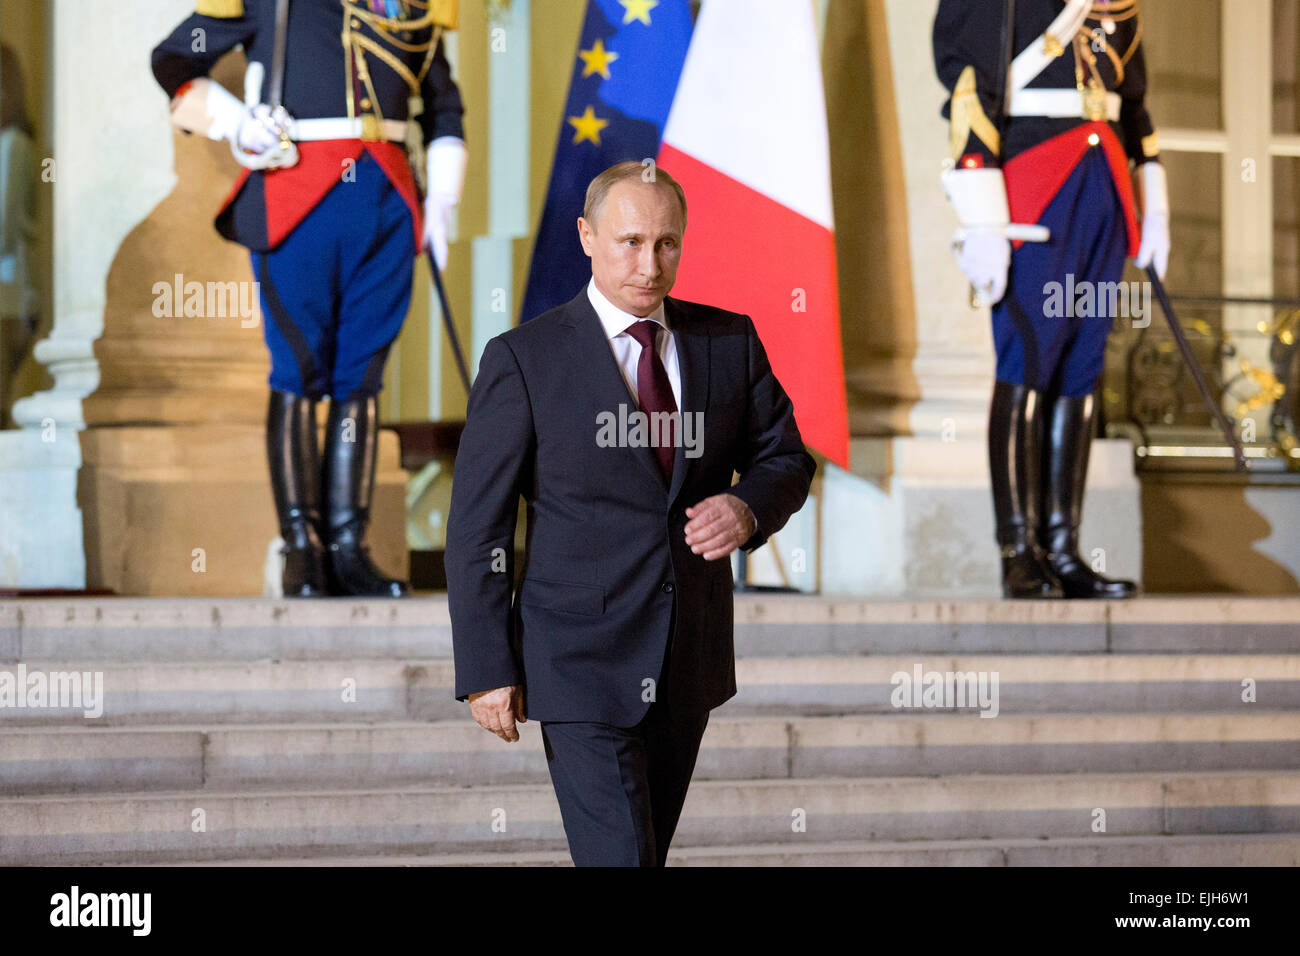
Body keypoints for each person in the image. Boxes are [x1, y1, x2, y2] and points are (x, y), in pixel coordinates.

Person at [445, 161, 816, 866]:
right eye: (630, 241)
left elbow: (787, 459)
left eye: (667, 244)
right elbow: (477, 527)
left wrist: (746, 509)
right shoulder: (524, 360)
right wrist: (487, 664)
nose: (650, 264)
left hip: (688, 660)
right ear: (587, 236)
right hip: (577, 665)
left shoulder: (727, 343)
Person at [151, 0, 468, 597]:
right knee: (298, 366)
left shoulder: (414, 7)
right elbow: (172, 57)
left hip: (389, 199)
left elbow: (443, 104)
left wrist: (445, 196)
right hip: (300, 189)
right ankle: (303, 551)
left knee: (362, 375)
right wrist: (235, 122)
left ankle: (350, 549)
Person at [934, 0, 1168, 600]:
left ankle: (1063, 548)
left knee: (1081, 370)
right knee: (1029, 360)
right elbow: (970, 94)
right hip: (1036, 186)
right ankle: (1020, 551)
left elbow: (1134, 104)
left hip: (1104, 187)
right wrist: (982, 214)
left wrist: (1154, 197)